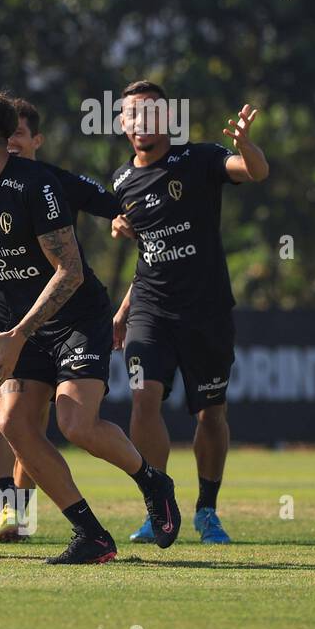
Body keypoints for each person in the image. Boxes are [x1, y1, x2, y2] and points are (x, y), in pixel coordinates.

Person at [0, 90, 180, 564]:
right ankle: (91, 534)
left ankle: (152, 480)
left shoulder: (37, 185)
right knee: (13, 424)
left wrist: (19, 335)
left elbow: (68, 272)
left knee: (76, 424)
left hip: (72, 317)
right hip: (12, 327)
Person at [110, 81, 267, 544]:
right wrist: (123, 311)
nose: (141, 123)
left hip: (207, 312)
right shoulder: (121, 182)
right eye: (132, 115)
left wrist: (246, 145)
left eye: (150, 114)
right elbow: (148, 256)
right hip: (150, 311)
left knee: (210, 414)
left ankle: (206, 510)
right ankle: (158, 505)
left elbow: (255, 171)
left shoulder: (198, 159)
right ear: (123, 124)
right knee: (143, 399)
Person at [0, 98, 121, 543]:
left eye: (19, 134)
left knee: (47, 421)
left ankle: (21, 511)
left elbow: (114, 205)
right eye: (5, 134)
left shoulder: (52, 182)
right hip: (5, 312)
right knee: (0, 412)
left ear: (36, 140)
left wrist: (122, 221)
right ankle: (11, 509)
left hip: (61, 317)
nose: (10, 142)